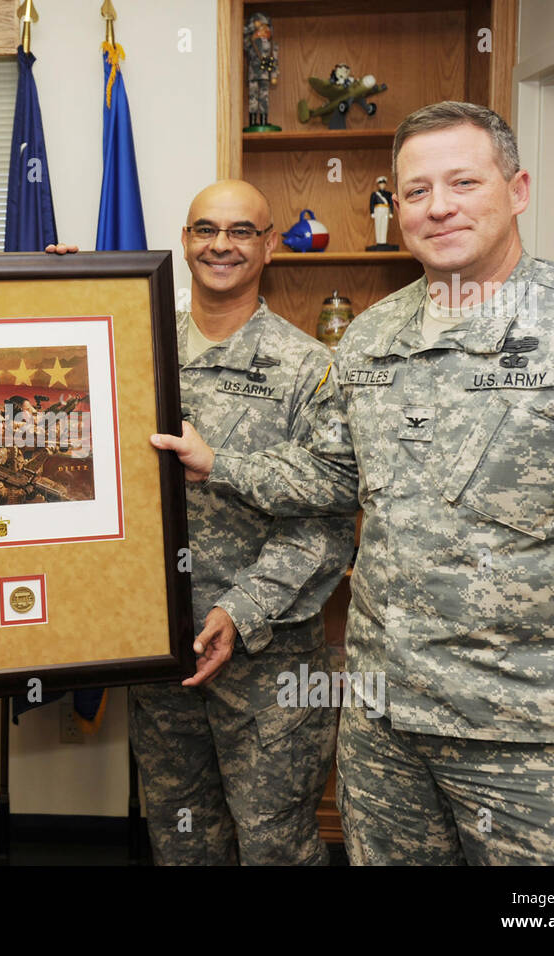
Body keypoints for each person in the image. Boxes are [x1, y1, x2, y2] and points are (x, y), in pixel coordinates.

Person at [154, 101, 554, 864]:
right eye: (414, 191)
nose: (439, 207)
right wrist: (220, 464)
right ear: (394, 207)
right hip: (387, 732)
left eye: (463, 182)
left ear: (518, 189)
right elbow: (333, 479)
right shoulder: (371, 338)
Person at [53, 180, 354, 864]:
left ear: (270, 245)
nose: (222, 244)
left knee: (275, 844)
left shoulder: (309, 369)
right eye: (205, 229)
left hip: (265, 657)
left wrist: (240, 610)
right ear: (184, 241)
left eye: (242, 231)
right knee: (182, 840)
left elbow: (329, 520)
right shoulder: (137, 346)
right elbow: (70, 436)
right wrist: (57, 296)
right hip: (163, 649)